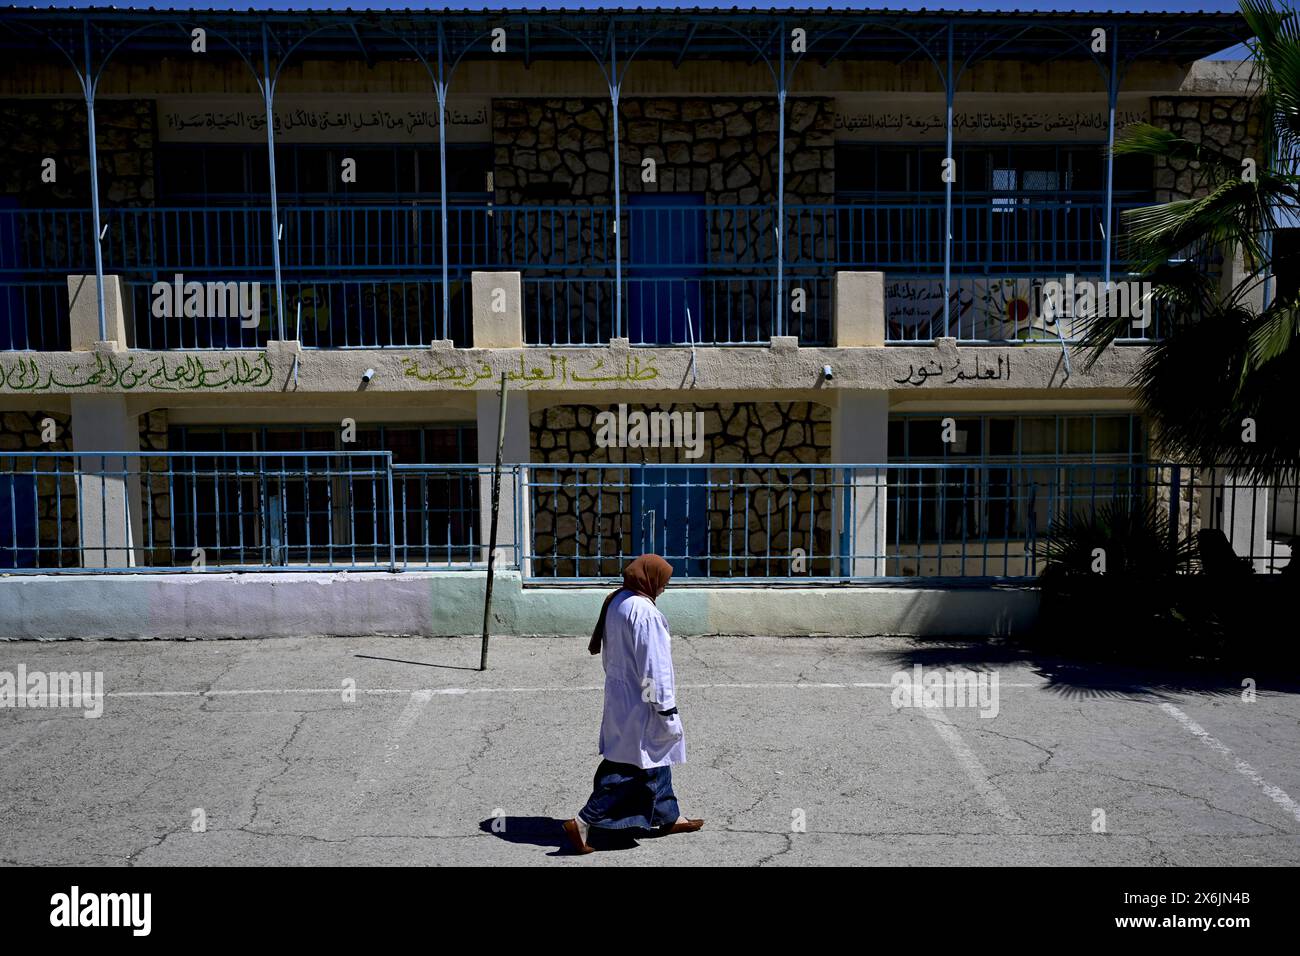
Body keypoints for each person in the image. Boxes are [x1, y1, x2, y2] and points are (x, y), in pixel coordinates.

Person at [562, 554, 703, 854]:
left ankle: (669, 816)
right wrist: (664, 709)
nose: (665, 587)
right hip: (643, 700)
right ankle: (584, 821)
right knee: (631, 767)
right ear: (649, 579)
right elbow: (654, 668)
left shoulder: (618, 601)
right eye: (663, 581)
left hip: (621, 695)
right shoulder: (646, 613)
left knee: (655, 756)